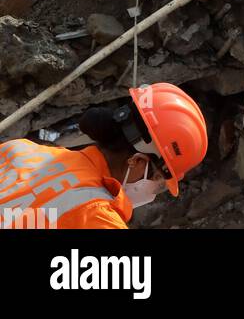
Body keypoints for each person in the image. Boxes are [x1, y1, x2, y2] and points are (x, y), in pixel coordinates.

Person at [0, 84, 207, 229]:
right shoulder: (98, 217)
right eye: (159, 180)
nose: (154, 192)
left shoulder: (20, 150)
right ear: (137, 161)